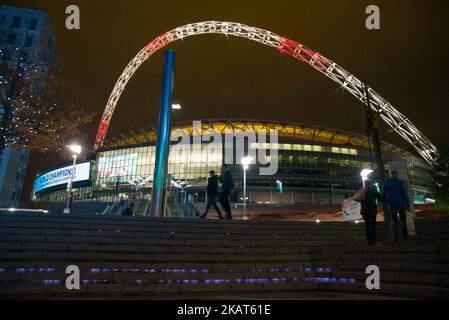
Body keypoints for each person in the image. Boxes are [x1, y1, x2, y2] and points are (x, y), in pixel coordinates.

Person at [382, 170, 411, 242]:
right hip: (400, 203)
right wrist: (408, 206)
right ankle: (405, 238)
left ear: (391, 174)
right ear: (396, 174)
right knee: (403, 221)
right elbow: (406, 195)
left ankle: (394, 237)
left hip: (391, 204)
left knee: (394, 221)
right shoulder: (401, 182)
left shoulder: (386, 182)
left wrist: (387, 201)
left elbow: (383, 194)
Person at [355, 179, 383, 246]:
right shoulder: (373, 190)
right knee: (373, 226)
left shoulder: (362, 190)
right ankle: (372, 241)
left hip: (364, 211)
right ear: (370, 183)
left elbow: (357, 198)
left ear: (365, 183)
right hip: (372, 211)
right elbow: (380, 198)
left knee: (367, 225)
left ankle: (368, 239)